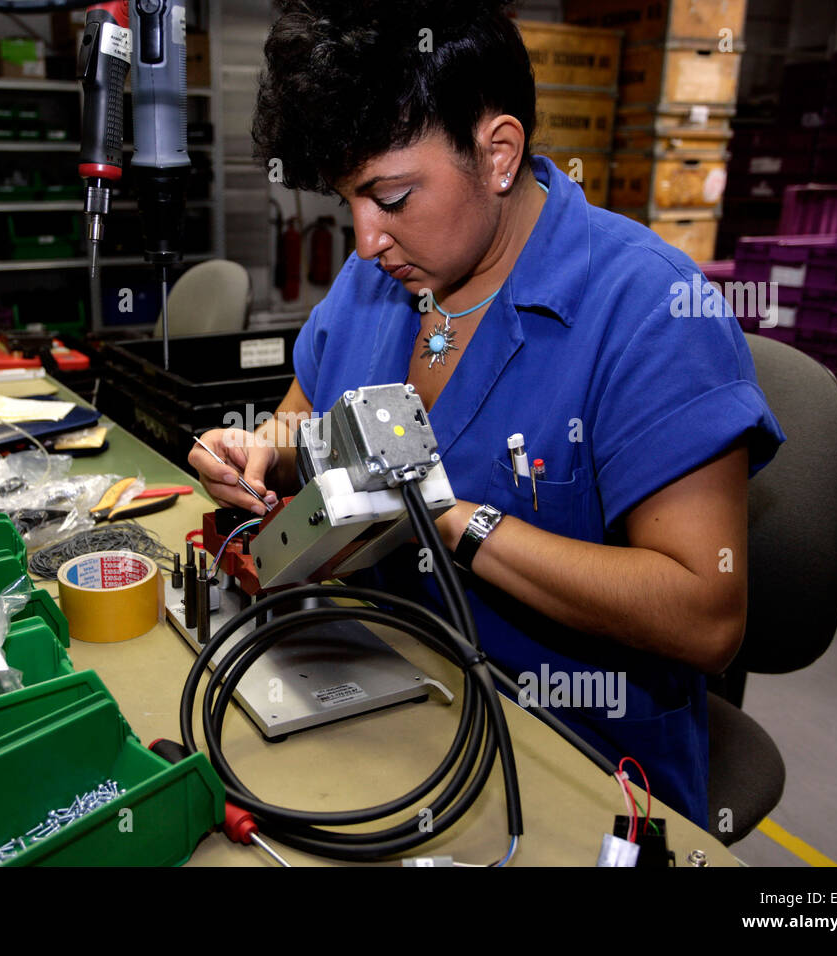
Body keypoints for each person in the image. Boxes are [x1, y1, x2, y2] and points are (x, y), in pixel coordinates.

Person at [188, 0, 785, 830]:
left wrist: (459, 523)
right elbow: (303, 427)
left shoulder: (651, 311)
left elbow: (705, 613)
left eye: (391, 197)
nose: (364, 241)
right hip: (386, 695)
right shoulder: (381, 282)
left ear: (498, 153)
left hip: (574, 759)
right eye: (347, 201)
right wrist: (253, 449)